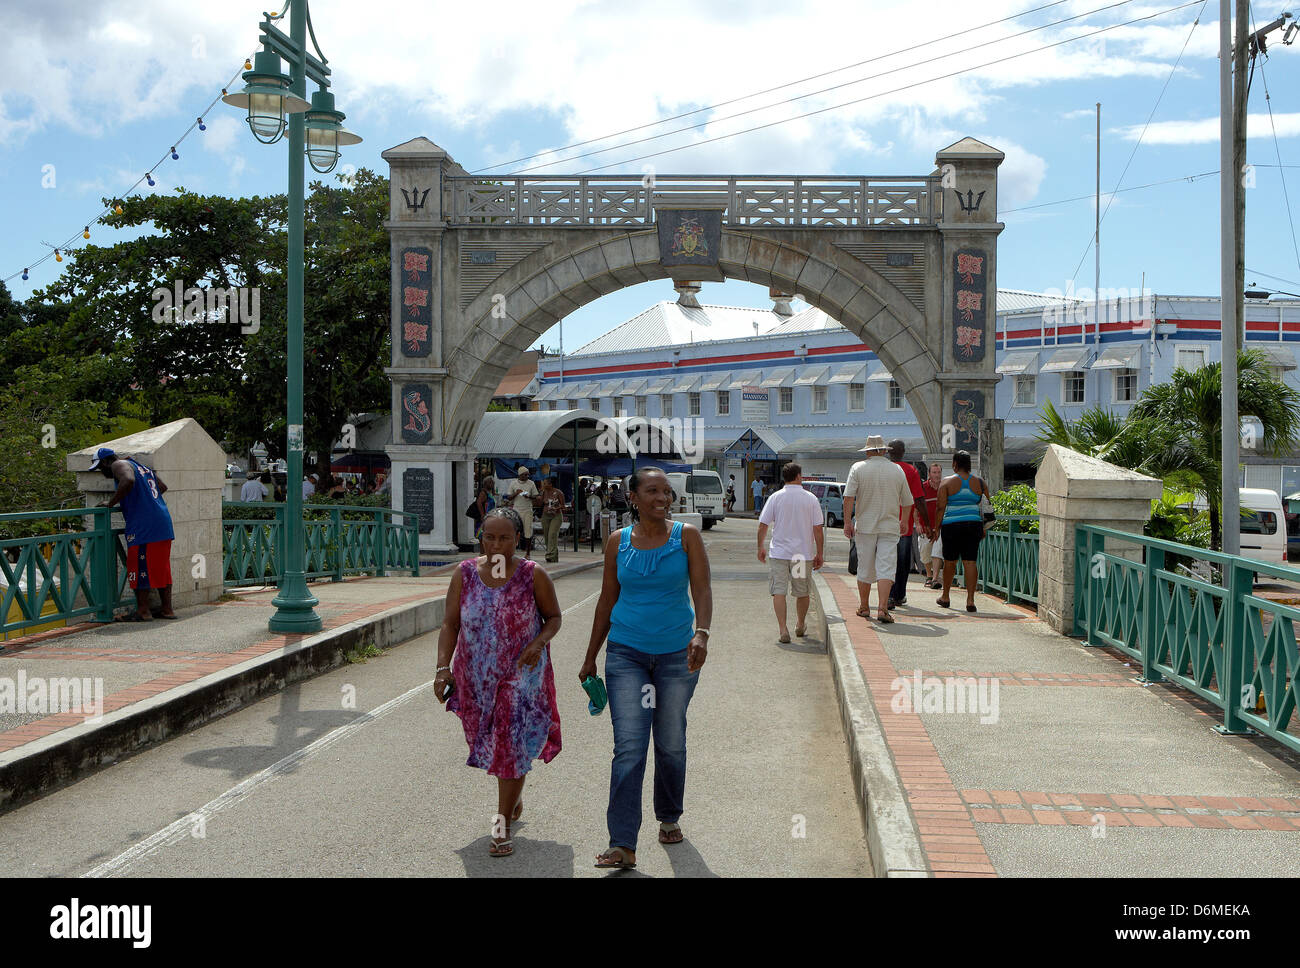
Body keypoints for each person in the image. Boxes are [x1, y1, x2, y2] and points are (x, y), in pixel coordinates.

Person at [579, 466, 712, 869]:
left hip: (677, 654)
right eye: (652, 491)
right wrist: (590, 656)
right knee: (630, 748)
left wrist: (701, 632)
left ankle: (669, 816)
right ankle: (622, 843)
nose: (662, 498)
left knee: (670, 741)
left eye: (666, 492)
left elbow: (702, 588)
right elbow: (606, 601)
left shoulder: (686, 536)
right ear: (632, 497)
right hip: (626, 653)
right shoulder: (617, 542)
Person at [436, 507, 563, 858]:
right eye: (489, 537)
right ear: (480, 538)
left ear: (517, 540)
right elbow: (450, 624)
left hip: (520, 676)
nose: (496, 544)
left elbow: (553, 617)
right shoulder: (464, 574)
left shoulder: (532, 574)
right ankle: (514, 794)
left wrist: (538, 644)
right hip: (476, 677)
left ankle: (501, 823)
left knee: (509, 743)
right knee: (493, 745)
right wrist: (441, 668)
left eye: (505, 537)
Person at [90, 447, 177, 623]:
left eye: (101, 467)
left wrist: (111, 502)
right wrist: (144, 498)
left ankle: (143, 611)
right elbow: (162, 487)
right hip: (162, 521)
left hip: (144, 525)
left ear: (107, 461)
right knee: (162, 567)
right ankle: (167, 609)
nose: (102, 472)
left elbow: (127, 480)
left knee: (139, 566)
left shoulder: (118, 464)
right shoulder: (141, 466)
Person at [841, 435, 913, 624]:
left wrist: (847, 522)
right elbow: (907, 500)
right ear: (883, 451)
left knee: (864, 565)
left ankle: (864, 606)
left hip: (865, 525)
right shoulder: (896, 469)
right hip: (890, 526)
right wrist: (904, 520)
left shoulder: (858, 468)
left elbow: (848, 497)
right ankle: (882, 608)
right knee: (887, 567)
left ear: (868, 451)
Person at [756, 462, 824, 643]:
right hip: (800, 555)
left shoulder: (775, 497)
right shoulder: (810, 499)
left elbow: (763, 524)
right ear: (799, 476)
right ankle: (800, 624)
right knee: (802, 591)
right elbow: (818, 529)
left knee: (779, 591)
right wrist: (820, 553)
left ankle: (782, 629)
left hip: (779, 554)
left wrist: (760, 547)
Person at [934, 450, 987, 613]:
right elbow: (987, 506)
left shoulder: (946, 482)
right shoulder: (980, 482)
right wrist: (983, 527)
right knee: (970, 562)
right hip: (974, 525)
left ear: (955, 464)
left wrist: (936, 528)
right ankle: (970, 600)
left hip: (952, 525)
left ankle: (946, 596)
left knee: (950, 561)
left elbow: (940, 507)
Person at [887, 440, 931, 610]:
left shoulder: (885, 469)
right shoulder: (911, 471)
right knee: (903, 562)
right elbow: (919, 499)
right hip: (904, 524)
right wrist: (927, 523)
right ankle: (898, 595)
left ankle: (888, 596)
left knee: (887, 560)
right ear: (904, 452)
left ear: (888, 452)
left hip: (885, 523)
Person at [506, 466, 540, 559]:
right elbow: (508, 497)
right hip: (517, 509)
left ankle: (528, 553)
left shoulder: (531, 483)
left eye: (528, 474)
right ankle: (512, 551)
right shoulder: (513, 483)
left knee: (528, 531)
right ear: (520, 475)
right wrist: (516, 493)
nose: (527, 476)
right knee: (514, 530)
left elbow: (536, 496)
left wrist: (529, 496)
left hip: (528, 509)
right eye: (525, 474)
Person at [920, 463, 945, 589]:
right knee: (925, 553)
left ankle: (935, 578)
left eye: (938, 472)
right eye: (934, 472)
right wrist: (918, 524)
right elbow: (916, 506)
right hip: (925, 527)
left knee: (937, 551)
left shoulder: (945, 487)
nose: (937, 475)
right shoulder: (923, 488)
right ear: (929, 474)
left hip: (940, 527)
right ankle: (929, 575)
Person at [540, 477, 565, 563]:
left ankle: (550, 555)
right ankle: (553, 555)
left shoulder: (558, 492)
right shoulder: (544, 492)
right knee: (547, 536)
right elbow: (540, 503)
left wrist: (556, 508)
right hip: (545, 515)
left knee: (552, 534)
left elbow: (563, 506)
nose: (543, 485)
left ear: (550, 484)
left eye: (545, 483)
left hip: (556, 516)